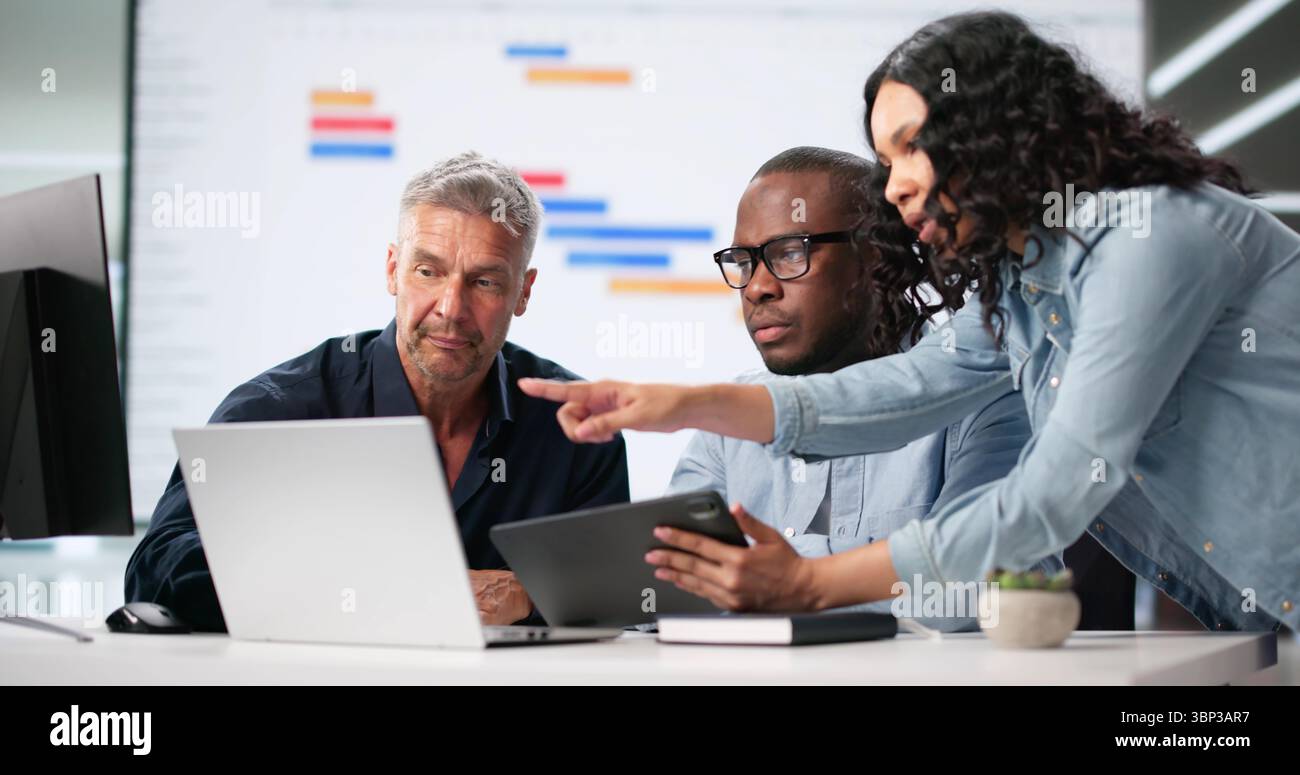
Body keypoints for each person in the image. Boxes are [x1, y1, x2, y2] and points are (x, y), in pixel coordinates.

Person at [519, 12, 1300, 633]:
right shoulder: (1023, 285)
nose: (892, 188)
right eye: (884, 161)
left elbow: (1049, 496)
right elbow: (898, 388)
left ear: (998, 130)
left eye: (908, 150)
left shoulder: (1146, 240)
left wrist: (813, 582)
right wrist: (680, 404)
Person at [127, 152, 629, 631]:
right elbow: (157, 572)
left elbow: (619, 592)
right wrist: (394, 589)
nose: (451, 308)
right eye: (428, 271)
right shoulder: (279, 409)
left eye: (485, 282)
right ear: (393, 269)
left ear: (523, 291)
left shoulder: (576, 426)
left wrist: (527, 591)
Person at [666, 146, 1055, 629]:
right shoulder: (731, 425)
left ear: (873, 258)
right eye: (744, 262)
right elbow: (661, 588)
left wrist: (792, 580)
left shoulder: (984, 397)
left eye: (790, 253)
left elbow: (984, 589)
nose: (756, 288)